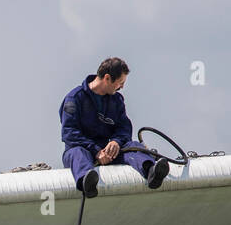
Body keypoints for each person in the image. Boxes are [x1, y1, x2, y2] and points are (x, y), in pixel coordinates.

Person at [60, 57, 169, 198]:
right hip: (83, 150)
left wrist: (116, 142)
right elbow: (69, 133)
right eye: (120, 83)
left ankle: (151, 171)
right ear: (107, 78)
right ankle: (86, 182)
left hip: (109, 152)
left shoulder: (117, 100)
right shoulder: (74, 98)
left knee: (133, 145)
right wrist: (96, 151)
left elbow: (124, 128)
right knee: (77, 153)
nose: (122, 87)